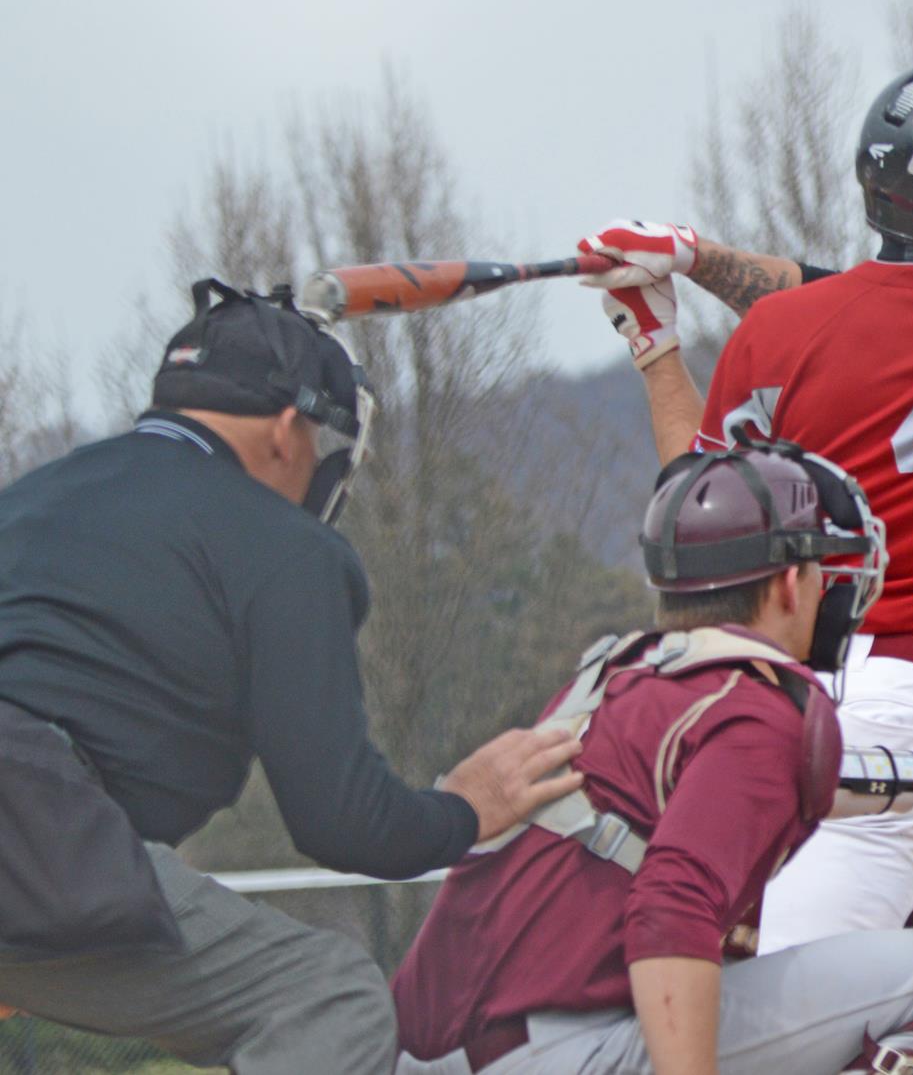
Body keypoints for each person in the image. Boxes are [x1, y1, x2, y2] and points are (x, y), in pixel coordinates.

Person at [0, 280, 585, 1074]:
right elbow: (339, 820)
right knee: (329, 996)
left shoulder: (31, 497)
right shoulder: (284, 545)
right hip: (33, 838)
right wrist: (462, 811)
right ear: (287, 430)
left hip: (35, 851)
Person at [576, 52, 913, 954]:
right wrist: (701, 259)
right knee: (794, 1018)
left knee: (727, 998)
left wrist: (654, 337)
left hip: (761, 690)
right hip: (910, 708)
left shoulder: (780, 338)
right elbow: (874, 300)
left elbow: (695, 523)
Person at [392, 443, 913, 1074]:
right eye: (823, 570)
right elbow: (671, 906)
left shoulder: (623, 679)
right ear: (790, 583)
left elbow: (798, 781)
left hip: (428, 1048)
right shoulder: (759, 705)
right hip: (557, 1052)